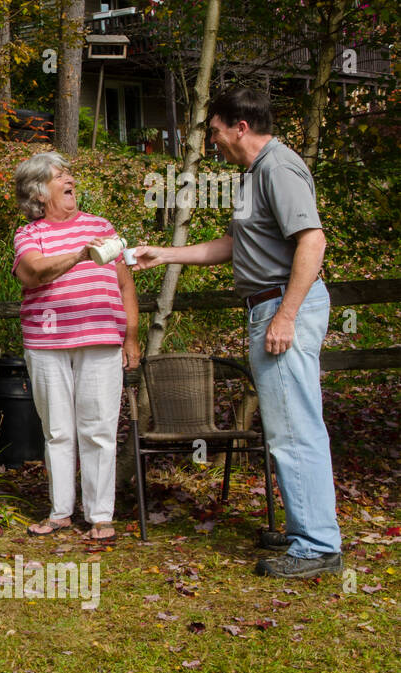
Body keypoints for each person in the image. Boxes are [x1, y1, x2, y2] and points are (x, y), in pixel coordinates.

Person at [133, 87, 340, 578]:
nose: (213, 141)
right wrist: (164, 253)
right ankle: (305, 528)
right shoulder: (253, 176)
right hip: (268, 306)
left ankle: (316, 546)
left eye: (214, 131)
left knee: (295, 428)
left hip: (281, 306)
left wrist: (285, 316)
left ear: (239, 127)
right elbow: (233, 244)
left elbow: (313, 240)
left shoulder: (278, 168)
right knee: (286, 425)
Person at [12, 152, 140, 542]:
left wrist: (131, 335)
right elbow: (32, 274)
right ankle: (60, 512)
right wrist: (80, 255)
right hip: (47, 343)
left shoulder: (102, 226)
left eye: (69, 174)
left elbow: (125, 285)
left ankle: (101, 515)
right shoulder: (28, 234)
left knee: (99, 429)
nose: (70, 180)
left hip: (101, 338)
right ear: (38, 191)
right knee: (58, 431)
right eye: (60, 175)